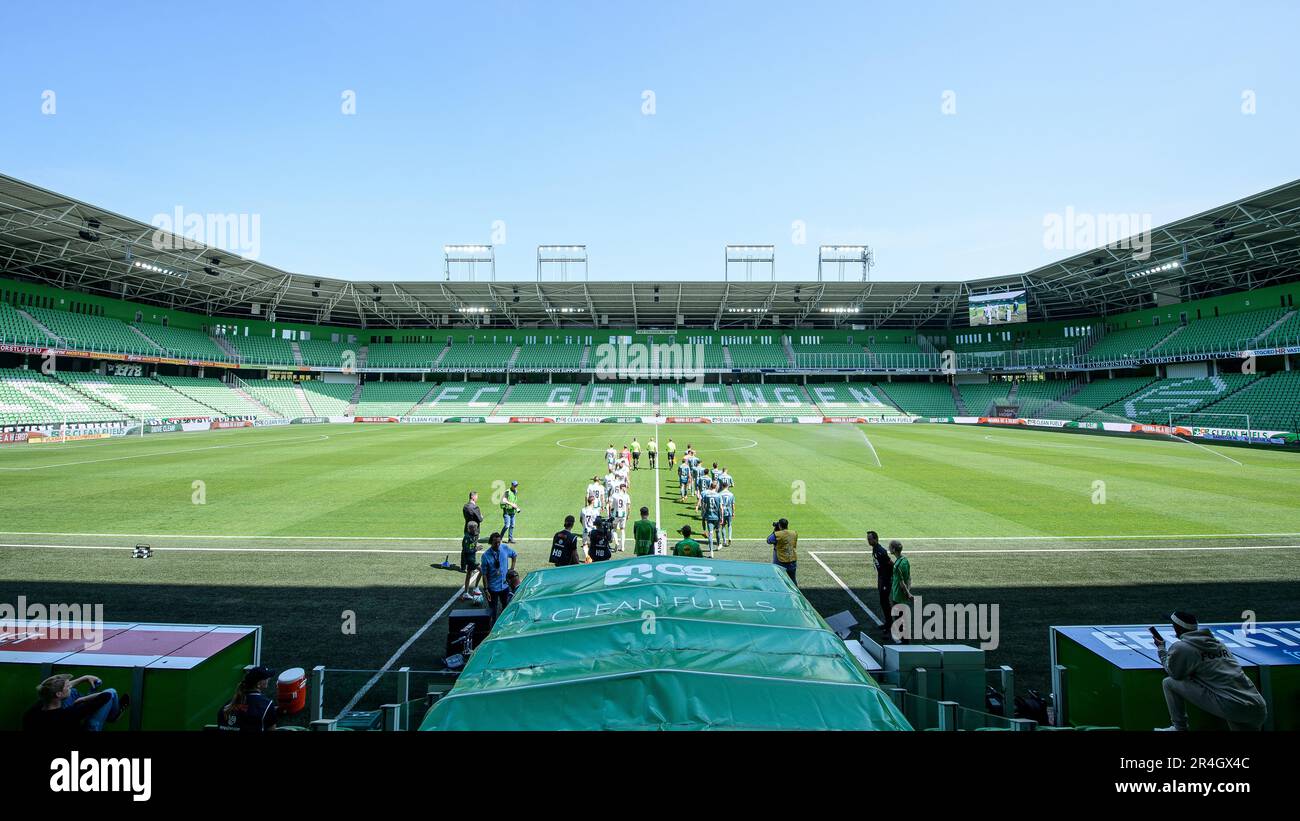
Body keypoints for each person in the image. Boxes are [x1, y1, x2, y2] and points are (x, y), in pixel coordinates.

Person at [1154, 612, 1268, 731]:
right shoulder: (1219, 644)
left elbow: (1174, 673)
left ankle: (1179, 728)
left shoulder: (1182, 647)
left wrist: (1161, 649)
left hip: (1232, 706)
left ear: (1178, 628)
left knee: (1169, 682)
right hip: (1258, 706)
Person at [23, 673, 129, 732]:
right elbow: (106, 696)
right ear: (59, 694)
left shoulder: (33, 711)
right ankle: (113, 716)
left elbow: (48, 689)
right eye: (67, 686)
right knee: (112, 692)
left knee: (72, 692)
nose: (69, 686)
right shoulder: (68, 714)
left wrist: (83, 678)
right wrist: (82, 699)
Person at [216, 666, 279, 731]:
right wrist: (271, 711)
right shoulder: (267, 705)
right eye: (266, 678)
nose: (268, 679)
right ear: (258, 684)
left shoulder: (226, 706)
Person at [480, 532, 518, 622]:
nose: (497, 544)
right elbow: (484, 574)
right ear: (490, 542)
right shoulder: (485, 556)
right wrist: (486, 589)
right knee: (492, 610)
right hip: (492, 588)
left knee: (506, 608)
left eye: (499, 542)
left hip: (505, 585)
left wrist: (512, 568)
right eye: (495, 543)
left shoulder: (504, 548)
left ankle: (505, 625)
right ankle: (493, 626)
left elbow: (514, 555)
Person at [458, 491, 484, 602]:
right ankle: (476, 588)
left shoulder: (465, 507)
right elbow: (480, 518)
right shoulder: (475, 508)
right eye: (476, 496)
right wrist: (476, 549)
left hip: (469, 556)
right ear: (473, 497)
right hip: (471, 558)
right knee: (482, 570)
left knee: (468, 573)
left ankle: (466, 592)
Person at [868, 531, 893, 636]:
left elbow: (891, 564)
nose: (868, 541)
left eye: (870, 539)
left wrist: (888, 578)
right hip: (881, 578)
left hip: (885, 580)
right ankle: (888, 623)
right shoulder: (875, 549)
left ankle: (890, 625)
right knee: (883, 602)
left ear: (876, 539)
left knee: (885, 602)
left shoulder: (881, 551)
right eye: (868, 539)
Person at [889, 540, 912, 643]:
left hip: (897, 596)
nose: (889, 548)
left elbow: (901, 583)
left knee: (899, 620)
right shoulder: (905, 560)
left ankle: (904, 642)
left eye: (890, 547)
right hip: (903, 596)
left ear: (894, 549)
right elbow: (909, 578)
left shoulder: (897, 565)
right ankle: (906, 639)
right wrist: (908, 592)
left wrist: (907, 593)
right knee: (903, 618)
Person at [767, 518, 798, 584]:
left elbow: (769, 540)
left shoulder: (777, 534)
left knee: (778, 580)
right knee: (793, 580)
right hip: (792, 560)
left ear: (779, 525)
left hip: (780, 561)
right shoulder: (794, 533)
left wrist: (775, 531)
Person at [700, 482, 722, 555]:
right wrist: (721, 517)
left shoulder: (706, 495)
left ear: (710, 486)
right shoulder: (718, 495)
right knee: (717, 531)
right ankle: (718, 545)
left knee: (710, 534)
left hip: (709, 517)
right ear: (716, 487)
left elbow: (703, 506)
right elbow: (721, 508)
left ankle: (711, 551)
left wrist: (704, 513)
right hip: (717, 517)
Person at [610, 482, 631, 551]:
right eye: (625, 487)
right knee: (622, 529)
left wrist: (611, 513)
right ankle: (622, 547)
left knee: (614, 529)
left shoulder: (615, 495)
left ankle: (616, 542)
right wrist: (628, 515)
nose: (626, 489)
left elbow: (611, 505)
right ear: (622, 488)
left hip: (616, 514)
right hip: (623, 515)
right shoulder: (626, 496)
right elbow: (629, 507)